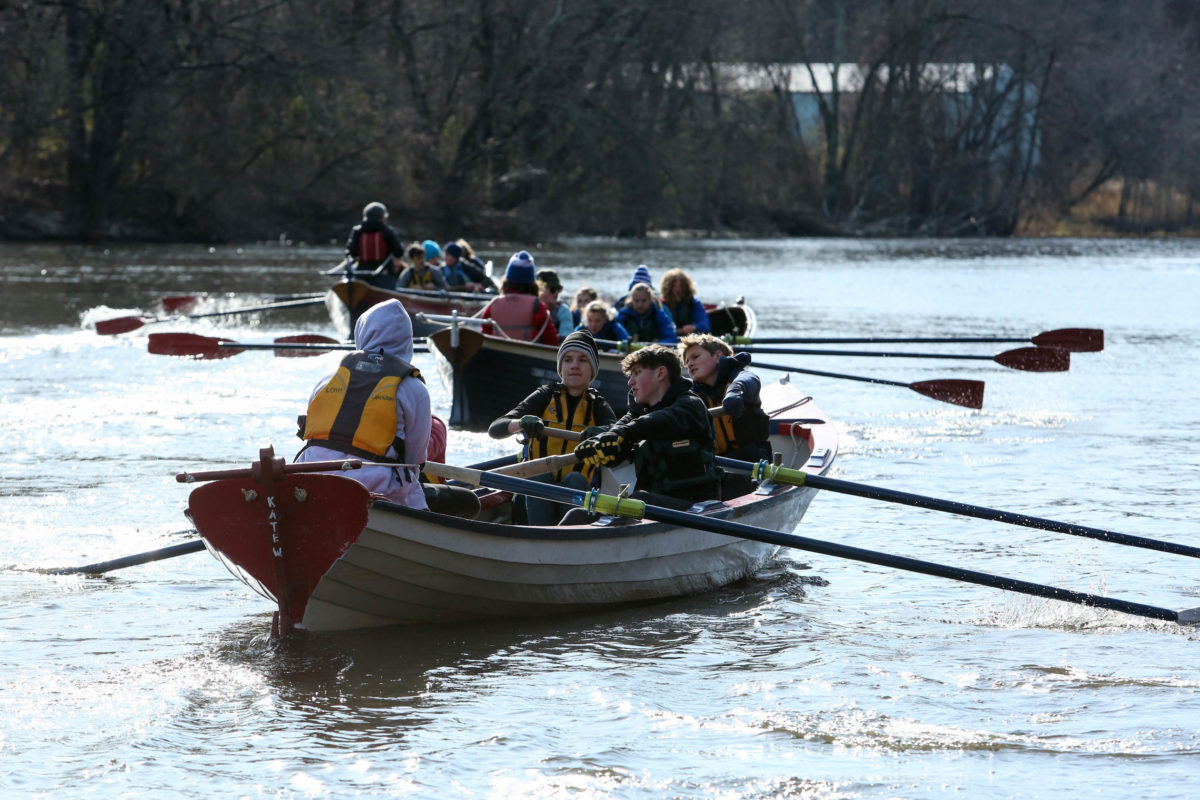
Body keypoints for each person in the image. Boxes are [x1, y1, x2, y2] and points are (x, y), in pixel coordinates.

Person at [295, 300, 431, 509]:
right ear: (407, 340)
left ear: (362, 332)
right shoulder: (414, 388)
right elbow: (415, 460)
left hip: (310, 477)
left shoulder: (329, 376)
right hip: (376, 488)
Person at [568, 344, 720, 518]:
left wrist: (623, 433)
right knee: (576, 516)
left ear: (660, 373)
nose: (630, 382)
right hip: (652, 508)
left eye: (637, 373)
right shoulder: (636, 414)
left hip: (697, 508)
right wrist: (602, 443)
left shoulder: (691, 406)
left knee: (639, 499)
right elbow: (620, 433)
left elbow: (658, 421)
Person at [488, 331, 616, 525]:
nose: (574, 365)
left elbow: (615, 430)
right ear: (561, 368)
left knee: (575, 478)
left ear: (592, 369)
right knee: (539, 474)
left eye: (582, 360)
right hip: (534, 492)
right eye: (568, 360)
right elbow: (495, 429)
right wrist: (521, 423)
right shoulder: (544, 395)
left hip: (577, 491)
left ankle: (565, 534)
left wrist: (603, 432)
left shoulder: (597, 404)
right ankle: (541, 534)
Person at [678, 333, 771, 498]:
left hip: (753, 462)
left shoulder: (740, 378)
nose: (690, 363)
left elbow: (749, 380)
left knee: (735, 482)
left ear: (718, 356)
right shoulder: (692, 394)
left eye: (695, 356)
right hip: (717, 463)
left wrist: (734, 392)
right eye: (687, 361)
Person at [478, 250, 559, 345]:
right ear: (532, 282)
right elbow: (552, 341)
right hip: (527, 352)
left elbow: (484, 336)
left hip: (497, 351)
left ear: (506, 280)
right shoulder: (537, 307)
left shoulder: (493, 305)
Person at [344, 202, 404, 290]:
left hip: (361, 276)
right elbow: (399, 252)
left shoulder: (357, 231)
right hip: (384, 277)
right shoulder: (387, 231)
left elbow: (350, 252)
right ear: (382, 217)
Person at [660, 268, 711, 335]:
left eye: (680, 286)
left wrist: (695, 327)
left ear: (686, 287)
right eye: (674, 286)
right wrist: (680, 331)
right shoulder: (661, 305)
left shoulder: (694, 303)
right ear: (667, 288)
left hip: (690, 338)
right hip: (668, 338)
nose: (677, 290)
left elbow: (705, 325)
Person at [537, 269, 574, 340]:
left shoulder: (563, 311)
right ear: (540, 289)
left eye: (558, 289)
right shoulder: (529, 306)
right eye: (553, 289)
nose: (556, 293)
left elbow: (566, 339)